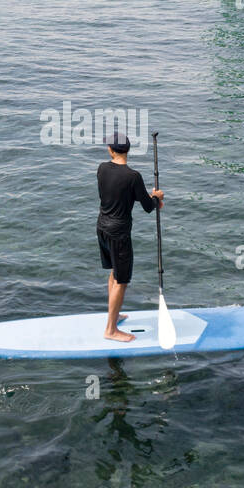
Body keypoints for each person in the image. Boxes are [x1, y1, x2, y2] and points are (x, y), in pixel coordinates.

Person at [96, 133, 164, 342]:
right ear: (128, 151)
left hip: (102, 227)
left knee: (114, 274)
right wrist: (157, 198)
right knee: (122, 280)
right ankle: (110, 330)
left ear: (110, 149)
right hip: (119, 234)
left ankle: (113, 318)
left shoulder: (102, 168)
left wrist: (149, 198)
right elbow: (147, 207)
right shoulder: (132, 176)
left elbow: (116, 192)